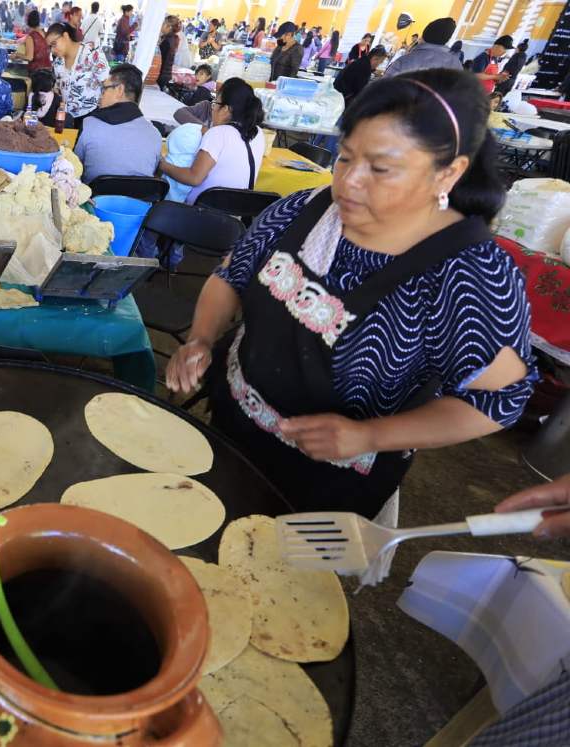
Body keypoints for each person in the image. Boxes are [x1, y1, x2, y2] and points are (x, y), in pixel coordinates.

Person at [165, 68, 535, 524]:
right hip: (232, 428)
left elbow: (497, 401)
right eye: (344, 158)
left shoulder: (469, 274)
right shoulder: (303, 208)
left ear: (449, 172)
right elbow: (231, 276)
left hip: (329, 479)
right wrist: (201, 339)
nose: (349, 182)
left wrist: (371, 435)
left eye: (380, 168)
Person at [159, 77, 265, 203]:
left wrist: (163, 165)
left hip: (204, 210)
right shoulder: (259, 133)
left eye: (216, 103)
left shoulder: (218, 133)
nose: (213, 108)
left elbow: (194, 178)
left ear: (226, 109)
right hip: (237, 210)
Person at [73, 63, 161, 184]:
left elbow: (75, 167)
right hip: (141, 202)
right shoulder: (155, 134)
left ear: (119, 90)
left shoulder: (90, 124)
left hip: (95, 201)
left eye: (104, 89)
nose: (100, 95)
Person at [48, 21, 108, 125]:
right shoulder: (58, 62)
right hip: (66, 117)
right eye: (50, 47)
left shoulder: (92, 54)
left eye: (54, 44)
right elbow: (59, 88)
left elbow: (107, 84)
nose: (52, 50)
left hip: (90, 116)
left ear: (65, 36)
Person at [384, 17, 461, 77]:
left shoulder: (405, 61)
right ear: (446, 39)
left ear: (423, 36)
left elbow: (382, 88)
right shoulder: (455, 65)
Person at [156, 16, 179, 90]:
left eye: (163, 24)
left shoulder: (167, 41)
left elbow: (161, 60)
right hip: (166, 74)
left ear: (169, 27)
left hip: (162, 75)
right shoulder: (173, 38)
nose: (161, 26)